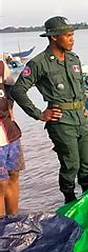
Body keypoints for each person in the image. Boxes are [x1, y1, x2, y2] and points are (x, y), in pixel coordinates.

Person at [11, 16, 88, 204]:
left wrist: (84, 106)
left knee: (87, 163)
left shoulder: (74, 59)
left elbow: (80, 87)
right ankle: (70, 201)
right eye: (68, 35)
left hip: (81, 118)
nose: (72, 39)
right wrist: (40, 114)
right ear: (54, 37)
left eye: (72, 35)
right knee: (71, 165)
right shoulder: (39, 63)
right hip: (61, 122)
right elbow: (18, 90)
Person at [0, 60, 24, 217]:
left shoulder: (1, 66)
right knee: (1, 184)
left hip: (10, 133)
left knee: (14, 175)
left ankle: (14, 220)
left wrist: (10, 107)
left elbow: (12, 86)